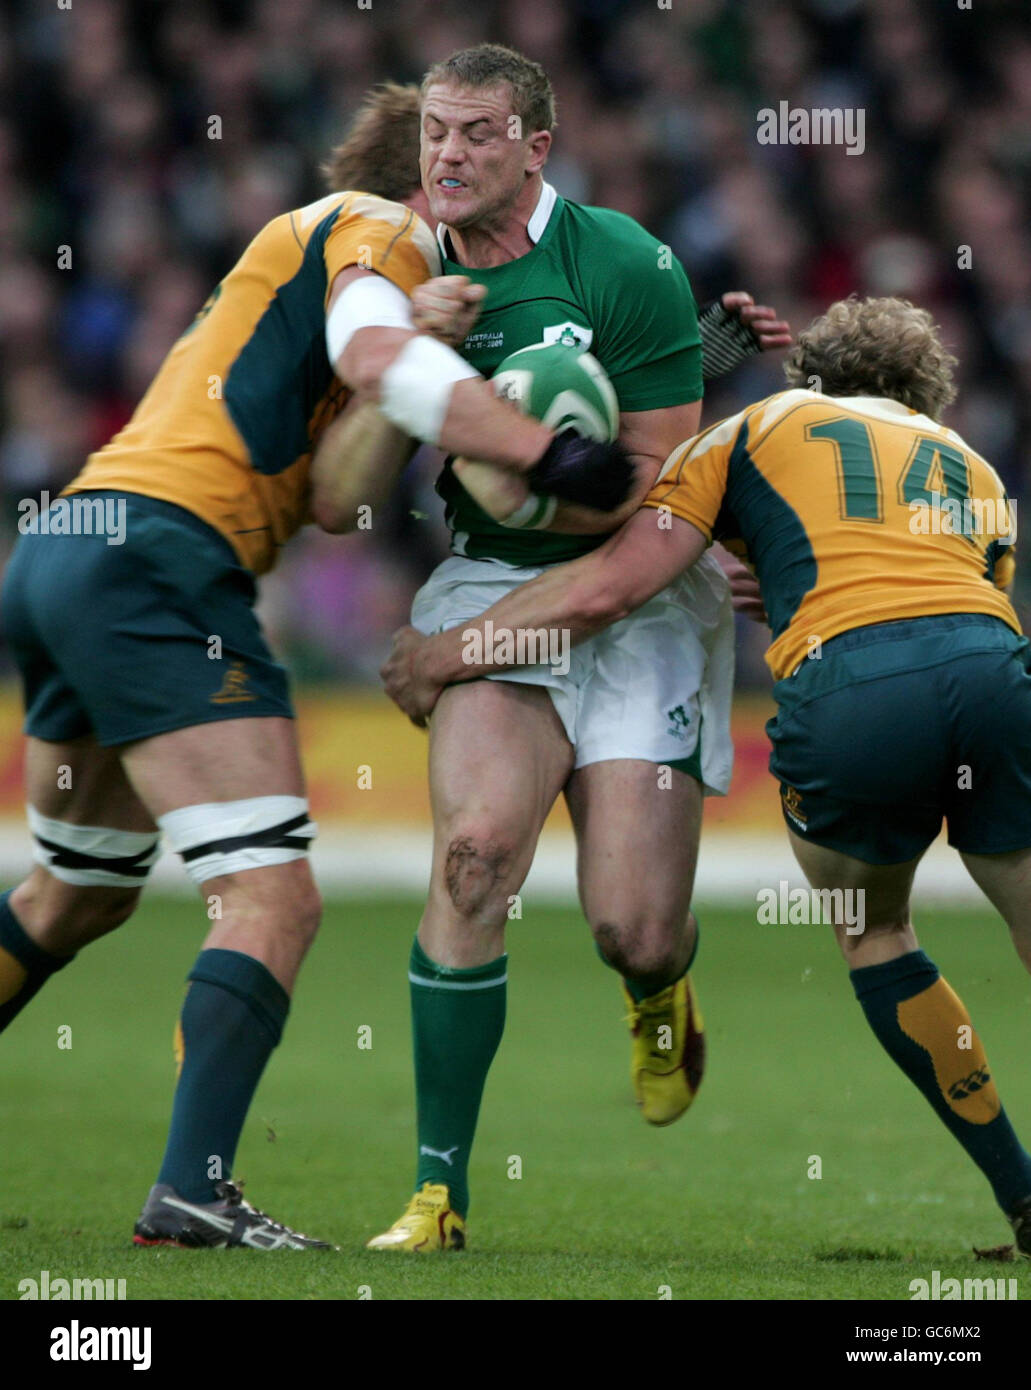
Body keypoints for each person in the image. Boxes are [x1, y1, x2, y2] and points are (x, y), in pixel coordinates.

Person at [0, 82, 629, 1250]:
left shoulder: (327, 275)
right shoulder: (372, 226)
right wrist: (547, 452)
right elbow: (369, 342)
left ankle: (193, 1182)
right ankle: (193, 1192)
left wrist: (430, 366)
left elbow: (338, 492)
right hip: (158, 562)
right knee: (271, 895)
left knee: (75, 890)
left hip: (69, 556)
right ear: (424, 188)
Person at [384, 295, 1031, 1256]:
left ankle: (1019, 1194)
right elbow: (941, 600)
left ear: (811, 378)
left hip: (852, 695)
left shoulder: (758, 426)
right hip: (994, 670)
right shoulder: (971, 465)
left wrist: (446, 655)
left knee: (877, 929)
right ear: (921, 395)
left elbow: (614, 584)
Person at [318, 43, 790, 1253]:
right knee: (474, 857)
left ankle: (657, 993)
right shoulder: (390, 267)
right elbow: (339, 501)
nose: (449, 155)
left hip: (631, 605)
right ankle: (437, 1194)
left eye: (478, 132)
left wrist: (454, 633)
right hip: (487, 574)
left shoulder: (625, 263)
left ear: (536, 145)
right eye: (434, 131)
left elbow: (647, 509)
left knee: (632, 924)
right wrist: (401, 372)